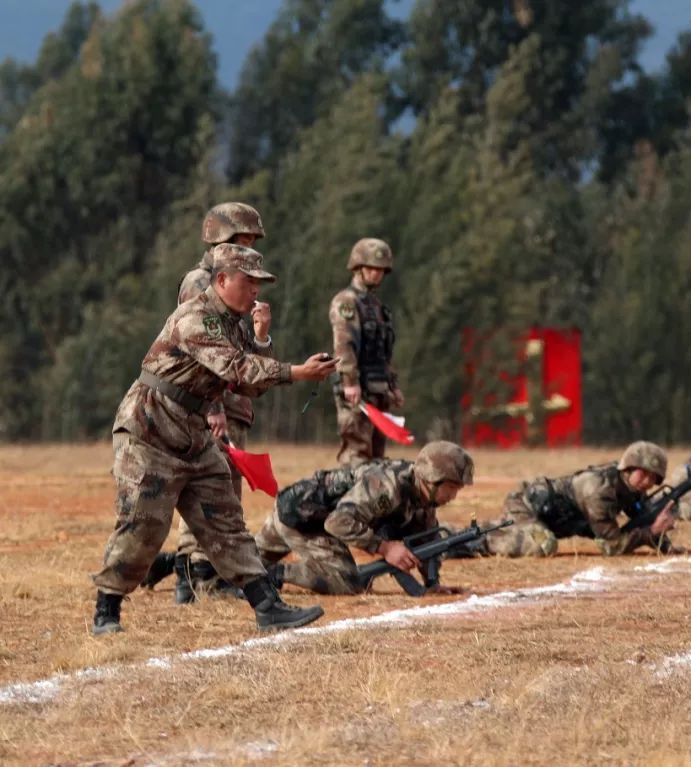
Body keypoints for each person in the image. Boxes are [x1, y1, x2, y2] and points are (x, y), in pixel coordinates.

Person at [90, 244, 338, 635]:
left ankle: (267, 606)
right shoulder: (196, 317)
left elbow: (245, 385)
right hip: (150, 433)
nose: (255, 290)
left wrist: (262, 338)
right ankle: (107, 610)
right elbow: (237, 367)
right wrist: (297, 373)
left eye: (259, 283)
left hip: (193, 433)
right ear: (222, 280)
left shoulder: (235, 324)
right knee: (143, 526)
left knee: (225, 521)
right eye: (248, 282)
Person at [171, 202, 267, 603]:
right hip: (214, 406)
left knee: (225, 489)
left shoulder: (236, 281)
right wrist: (212, 410)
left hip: (234, 404)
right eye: (244, 238)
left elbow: (245, 355)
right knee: (207, 488)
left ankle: (209, 573)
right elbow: (198, 353)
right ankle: (195, 575)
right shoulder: (202, 281)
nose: (249, 245)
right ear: (223, 238)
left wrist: (262, 335)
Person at [254, 442, 474, 595]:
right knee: (347, 580)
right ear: (430, 480)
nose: (453, 496)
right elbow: (337, 522)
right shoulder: (387, 488)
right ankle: (273, 575)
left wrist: (432, 583)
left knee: (240, 565)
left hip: (304, 512)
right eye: (451, 487)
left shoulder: (420, 497)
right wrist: (385, 548)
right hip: (303, 519)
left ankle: (252, 574)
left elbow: (426, 542)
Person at [479, 441, 678, 557]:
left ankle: (498, 530)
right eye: (643, 474)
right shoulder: (599, 490)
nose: (647, 481)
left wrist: (665, 545)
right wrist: (651, 531)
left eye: (653, 478)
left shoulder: (630, 488)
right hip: (525, 507)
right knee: (544, 545)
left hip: (551, 520)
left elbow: (640, 520)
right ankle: (480, 541)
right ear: (628, 469)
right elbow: (611, 546)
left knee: (543, 538)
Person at [330, 238, 403, 465]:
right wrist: (350, 381)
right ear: (358, 268)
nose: (377, 274)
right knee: (356, 456)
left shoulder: (377, 307)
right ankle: (348, 500)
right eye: (371, 268)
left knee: (377, 460)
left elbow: (383, 353)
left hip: (379, 389)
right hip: (358, 391)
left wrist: (393, 386)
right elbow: (344, 344)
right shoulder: (346, 302)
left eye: (381, 270)